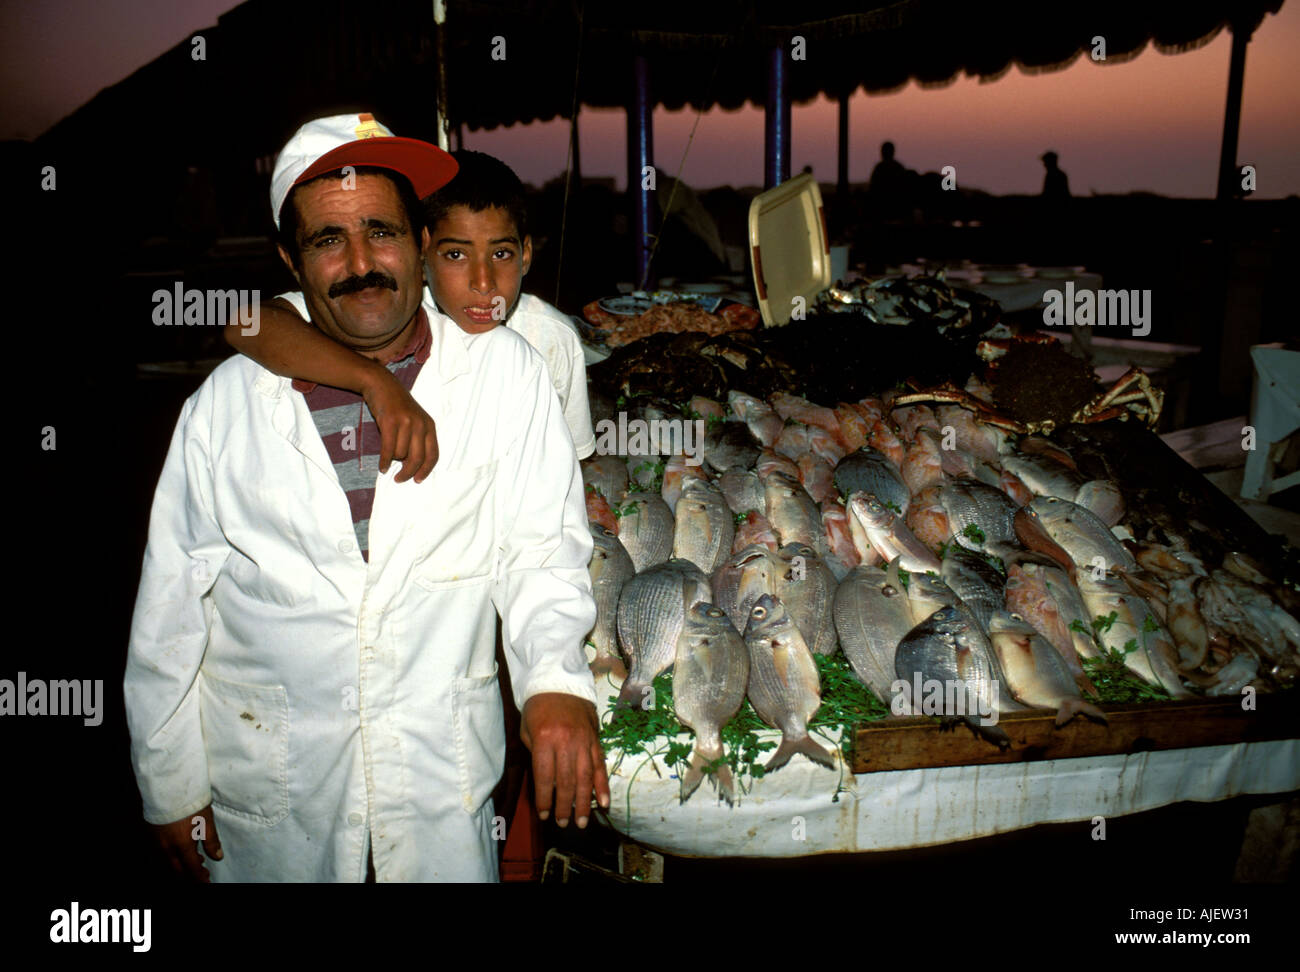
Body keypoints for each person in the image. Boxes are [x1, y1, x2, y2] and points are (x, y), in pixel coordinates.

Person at [125, 113, 607, 883]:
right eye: (328, 241)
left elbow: (541, 552)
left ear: (419, 242)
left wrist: (554, 683)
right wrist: (168, 782)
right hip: (272, 793)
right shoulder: (225, 406)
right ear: (292, 261)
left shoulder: (504, 374)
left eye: (380, 231)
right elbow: (171, 605)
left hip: (439, 780)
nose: (360, 264)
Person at [224, 150, 596, 479]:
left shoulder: (553, 339)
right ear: (422, 254)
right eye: (455, 255)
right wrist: (375, 380)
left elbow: (571, 467)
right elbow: (248, 323)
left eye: (501, 254)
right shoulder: (396, 305)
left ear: (526, 254)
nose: (483, 283)